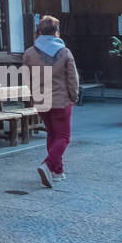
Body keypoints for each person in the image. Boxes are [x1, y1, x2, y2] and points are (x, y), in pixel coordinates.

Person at [22, 15, 80, 189]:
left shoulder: (29, 53)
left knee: (52, 134)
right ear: (56, 32)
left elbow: (27, 78)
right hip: (61, 100)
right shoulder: (64, 52)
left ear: (39, 31)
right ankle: (47, 164)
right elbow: (72, 78)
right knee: (63, 137)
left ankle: (57, 171)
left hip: (42, 100)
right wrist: (74, 96)